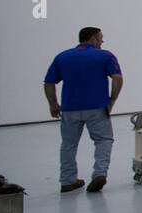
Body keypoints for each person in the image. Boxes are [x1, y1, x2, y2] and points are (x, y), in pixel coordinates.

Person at [43, 27, 123, 193]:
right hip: (97, 108)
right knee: (103, 140)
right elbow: (117, 78)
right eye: (101, 38)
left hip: (70, 109)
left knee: (68, 144)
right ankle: (99, 174)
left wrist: (53, 104)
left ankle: (67, 181)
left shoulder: (63, 57)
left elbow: (49, 82)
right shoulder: (105, 56)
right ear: (93, 38)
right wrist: (112, 100)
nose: (102, 41)